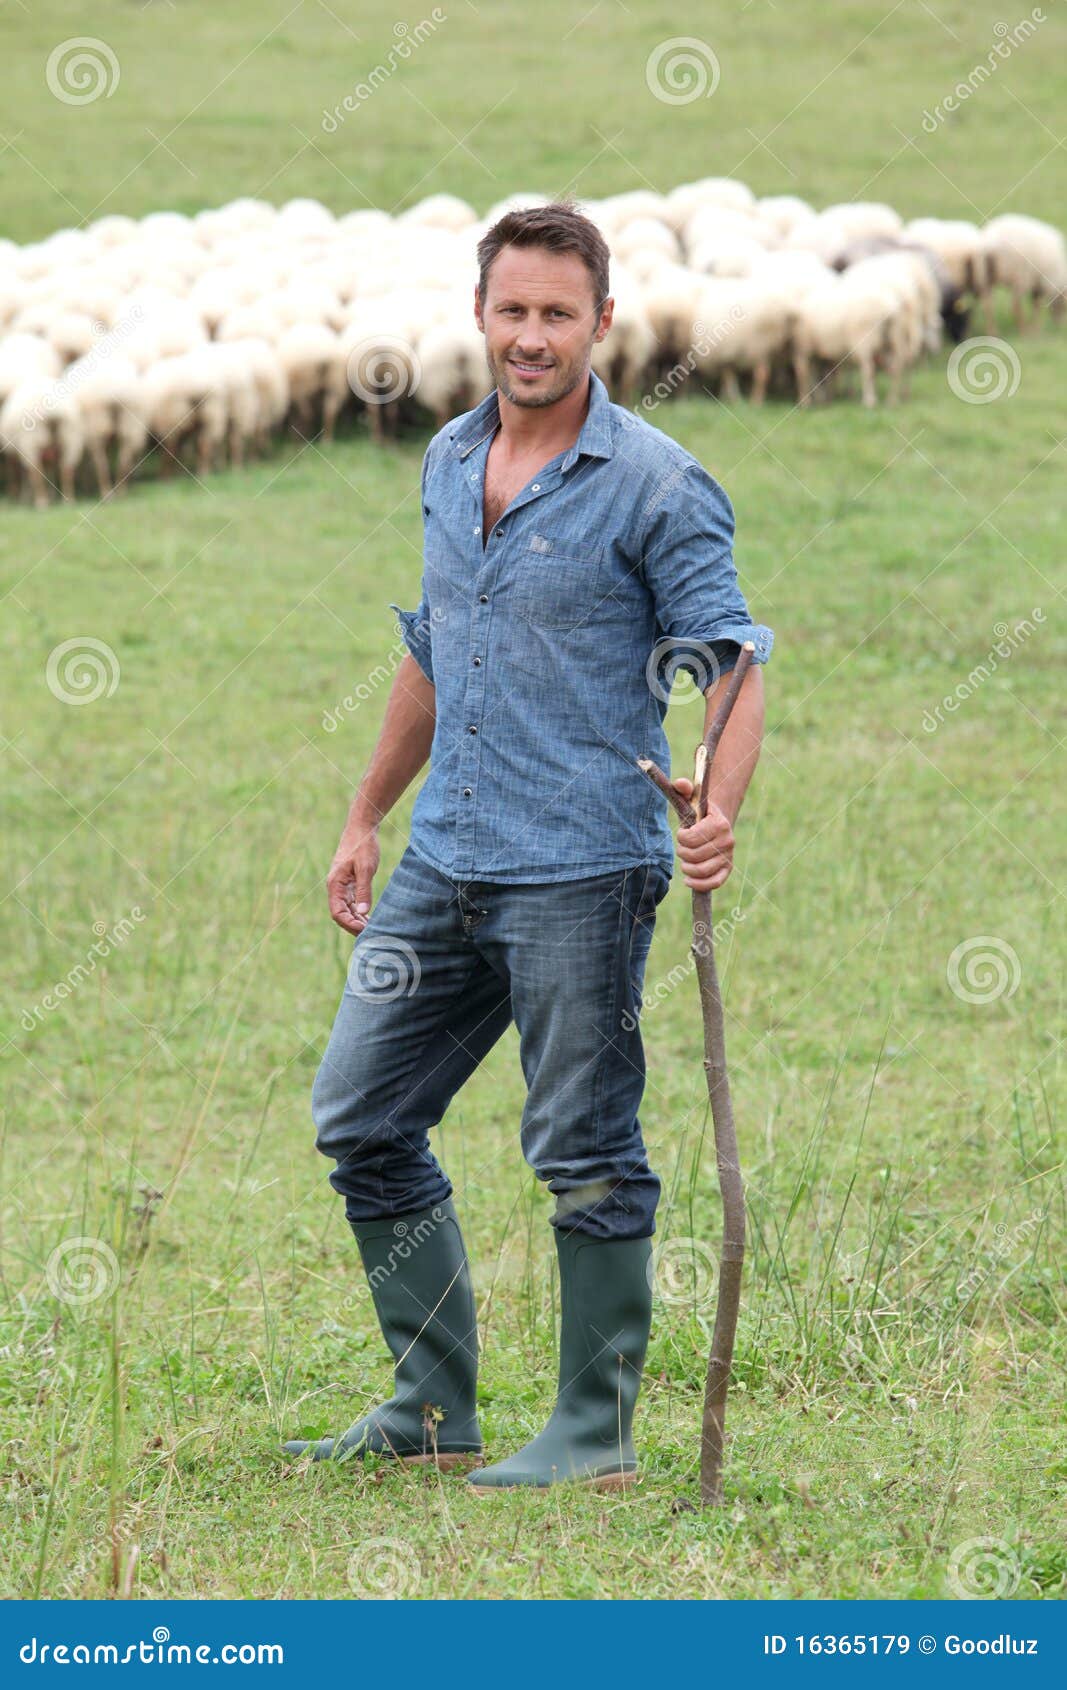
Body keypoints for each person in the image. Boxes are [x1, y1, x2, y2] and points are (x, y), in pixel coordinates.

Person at [284, 201, 773, 1492]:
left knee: (583, 1144)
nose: (533, 335)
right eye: (514, 310)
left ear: (602, 323)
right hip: (448, 858)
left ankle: (595, 1432)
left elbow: (731, 664)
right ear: (482, 313)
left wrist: (717, 804)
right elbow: (437, 647)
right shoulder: (450, 458)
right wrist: (366, 810)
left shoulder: (659, 484)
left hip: (583, 866)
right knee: (360, 1112)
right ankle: (432, 1405)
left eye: (560, 313)